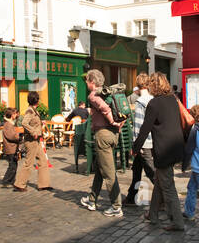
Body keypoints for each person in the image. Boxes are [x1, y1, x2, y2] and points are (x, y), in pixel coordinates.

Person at [132, 73, 186, 231]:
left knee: (168, 187)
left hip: (164, 149)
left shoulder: (154, 104)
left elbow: (145, 129)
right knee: (160, 180)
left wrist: (135, 148)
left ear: (153, 85)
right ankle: (153, 215)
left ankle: (178, 222)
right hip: (176, 146)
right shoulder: (173, 100)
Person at [80, 69, 125, 216]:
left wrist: (112, 121)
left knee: (108, 172)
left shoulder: (93, 95)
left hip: (103, 134)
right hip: (113, 135)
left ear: (92, 82)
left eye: (87, 81)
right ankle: (92, 200)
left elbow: (104, 108)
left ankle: (116, 206)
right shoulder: (108, 92)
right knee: (100, 168)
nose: (86, 83)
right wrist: (118, 124)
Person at [14, 92, 54, 192]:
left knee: (43, 161)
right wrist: (33, 132)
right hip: (31, 140)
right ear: (37, 100)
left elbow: (32, 122)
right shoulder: (30, 111)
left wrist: (40, 122)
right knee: (29, 162)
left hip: (36, 140)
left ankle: (43, 184)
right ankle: (19, 184)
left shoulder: (34, 110)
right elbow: (24, 123)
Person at [124, 73, 152, 205]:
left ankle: (164, 198)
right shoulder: (152, 99)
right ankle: (131, 196)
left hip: (143, 143)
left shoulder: (140, 102)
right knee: (136, 169)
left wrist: (135, 146)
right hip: (150, 140)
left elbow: (138, 126)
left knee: (151, 172)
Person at [0, 108, 21, 186]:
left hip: (12, 147)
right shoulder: (8, 124)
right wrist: (18, 137)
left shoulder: (10, 123)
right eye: (14, 114)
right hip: (10, 148)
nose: (16, 115)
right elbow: (11, 136)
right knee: (12, 165)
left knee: (14, 164)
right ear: (11, 115)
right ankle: (6, 181)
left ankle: (11, 180)